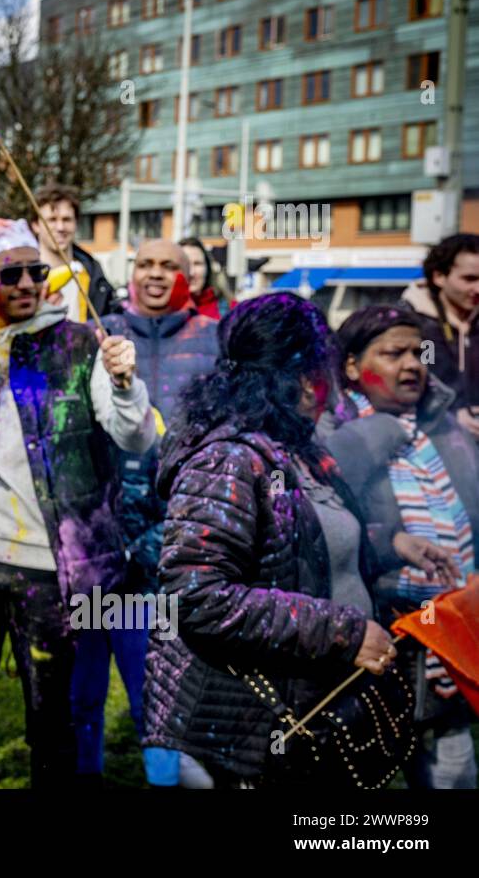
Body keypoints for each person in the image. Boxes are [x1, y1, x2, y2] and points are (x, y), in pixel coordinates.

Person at [0, 217, 156, 789]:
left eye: (36, 271)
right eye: (12, 273)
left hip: (53, 570)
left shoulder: (80, 344)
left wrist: (126, 383)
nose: (28, 283)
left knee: (51, 716)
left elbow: (136, 437)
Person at [144, 293, 401, 787]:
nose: (331, 387)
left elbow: (307, 541)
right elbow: (196, 597)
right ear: (301, 378)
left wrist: (390, 544)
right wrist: (342, 633)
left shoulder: (294, 446)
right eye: (322, 368)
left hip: (306, 710)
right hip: (250, 731)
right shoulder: (228, 459)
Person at [320, 305, 477, 789]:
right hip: (385, 626)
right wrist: (390, 542)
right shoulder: (328, 432)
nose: (411, 365)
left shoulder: (442, 426)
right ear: (351, 366)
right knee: (376, 767)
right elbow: (330, 527)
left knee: (454, 766)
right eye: (393, 354)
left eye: (417, 353)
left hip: (453, 620)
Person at [89, 238, 218, 788]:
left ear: (190, 276)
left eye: (172, 265)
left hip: (185, 536)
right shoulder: (102, 332)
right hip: (99, 533)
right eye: (147, 264)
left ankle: (167, 774)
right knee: (83, 684)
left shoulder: (214, 338)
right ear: (131, 272)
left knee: (164, 684)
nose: (158, 274)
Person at [398, 233, 479, 438]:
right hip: (435, 440)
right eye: (470, 279)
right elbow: (413, 386)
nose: (477, 289)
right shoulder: (415, 326)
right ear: (439, 277)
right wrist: (451, 416)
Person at [29, 182, 118, 322]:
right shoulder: (23, 278)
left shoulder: (94, 276)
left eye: (67, 219)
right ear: (35, 225)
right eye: (51, 220)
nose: (60, 227)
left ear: (76, 223)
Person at [178, 236, 229, 320]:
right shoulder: (160, 310)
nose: (191, 273)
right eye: (185, 264)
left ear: (208, 268)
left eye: (197, 264)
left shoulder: (230, 309)